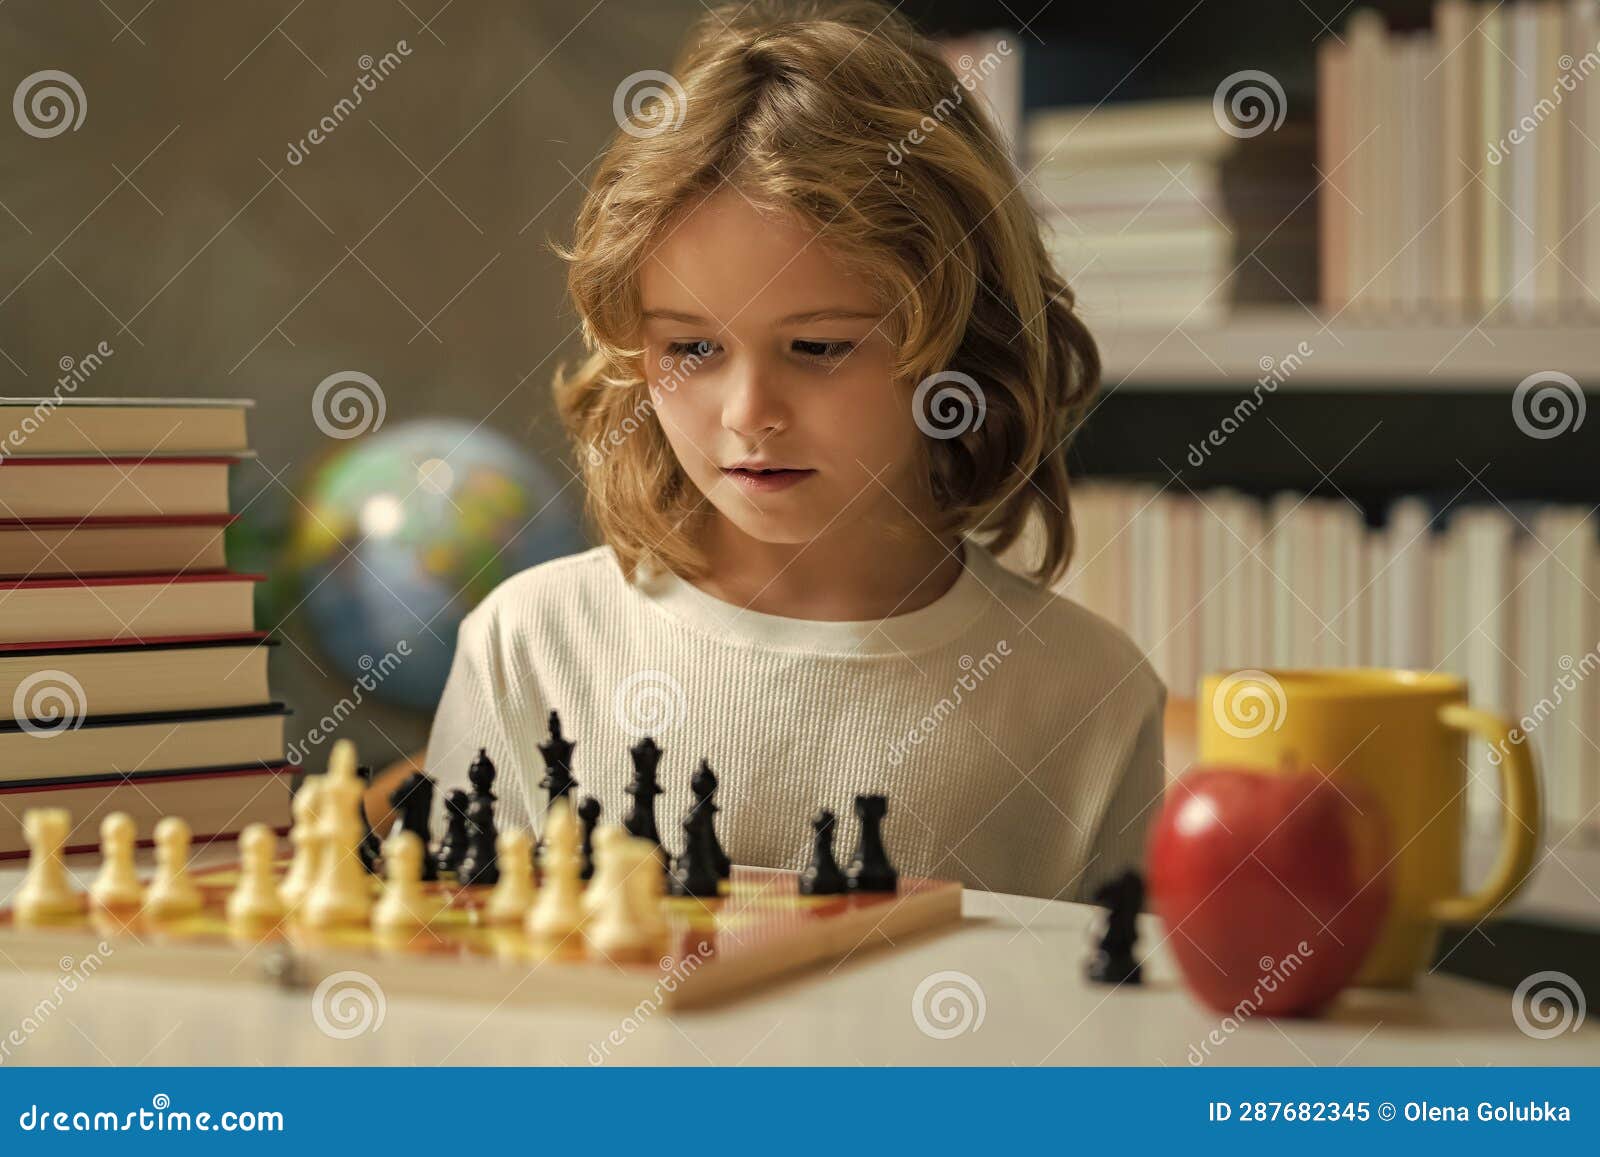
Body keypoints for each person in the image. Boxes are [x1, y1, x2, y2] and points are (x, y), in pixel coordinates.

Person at [368, 0, 1164, 901]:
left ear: (962, 346)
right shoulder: (531, 646)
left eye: (821, 348)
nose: (749, 415)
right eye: (691, 349)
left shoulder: (1087, 696)